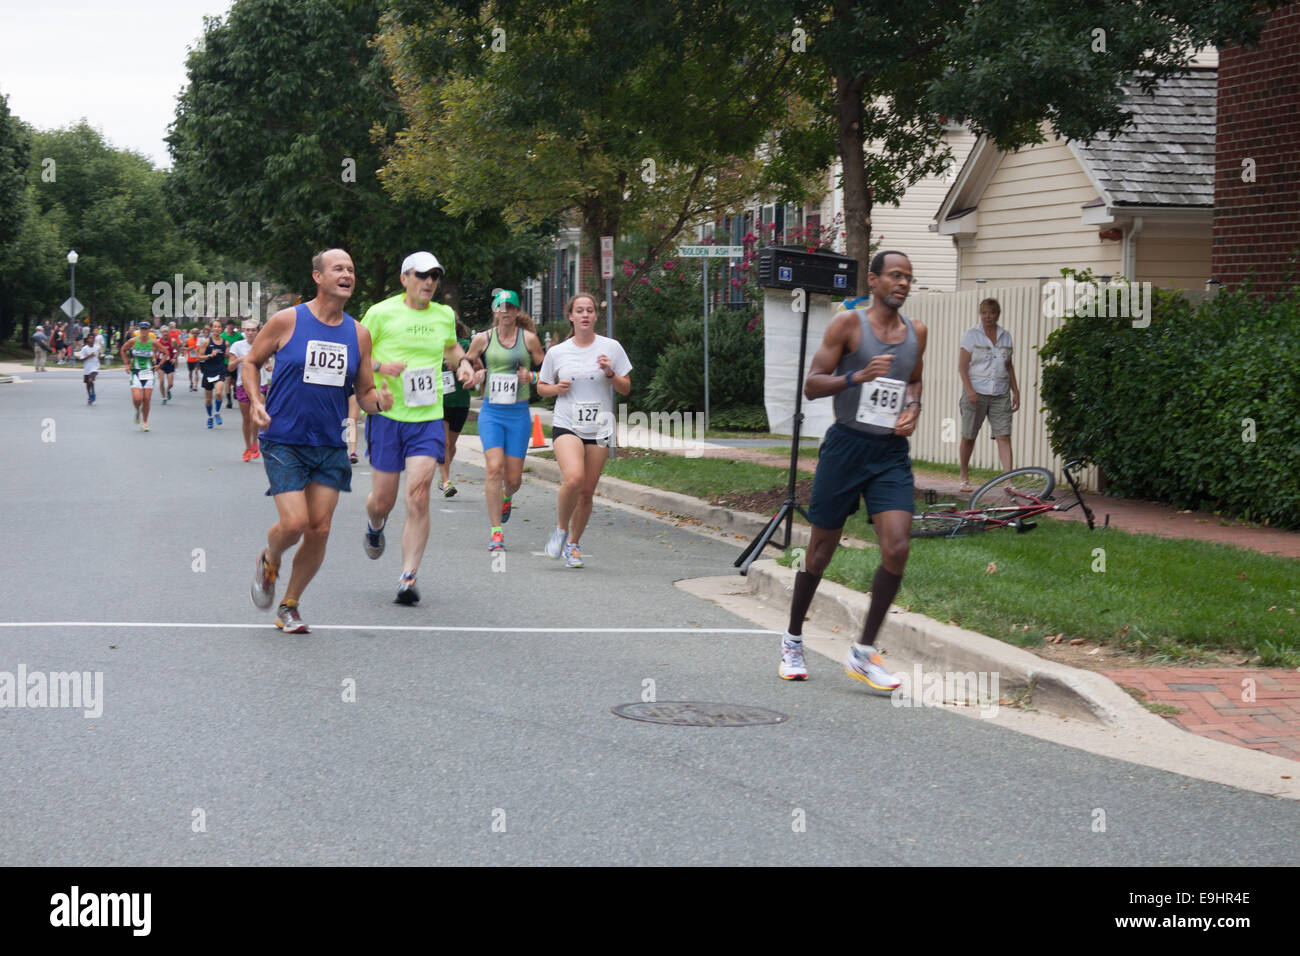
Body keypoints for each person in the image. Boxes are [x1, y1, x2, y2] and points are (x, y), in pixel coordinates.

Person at [776, 250, 926, 687]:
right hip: (845, 448)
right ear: (874, 281)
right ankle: (793, 639)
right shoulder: (848, 325)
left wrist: (913, 406)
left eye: (908, 278)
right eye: (895, 276)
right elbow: (812, 385)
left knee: (897, 547)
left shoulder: (917, 331)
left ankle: (863, 651)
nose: (902, 284)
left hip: (890, 453)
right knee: (820, 552)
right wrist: (856, 378)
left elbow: (914, 377)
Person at [244, 248, 392, 632]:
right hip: (284, 438)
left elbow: (365, 392)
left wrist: (379, 402)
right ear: (318, 277)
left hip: (329, 442)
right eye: (338, 268)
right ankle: (269, 559)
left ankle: (289, 605)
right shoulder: (288, 320)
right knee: (293, 524)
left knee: (320, 528)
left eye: (351, 269)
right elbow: (250, 362)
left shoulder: (358, 333)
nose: (347, 274)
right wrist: (256, 402)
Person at [360, 251, 472, 604]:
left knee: (419, 494)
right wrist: (380, 369)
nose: (429, 282)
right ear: (404, 278)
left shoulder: (443, 315)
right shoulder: (380, 313)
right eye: (422, 275)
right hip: (387, 416)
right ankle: (375, 526)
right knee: (383, 500)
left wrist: (464, 365)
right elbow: (358, 354)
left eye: (435, 276)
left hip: (426, 418)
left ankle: (408, 577)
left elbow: (451, 348)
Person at [535, 292, 632, 568]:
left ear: (596, 316)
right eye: (580, 310)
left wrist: (610, 373)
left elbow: (626, 388)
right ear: (571, 316)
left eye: (590, 310)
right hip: (567, 423)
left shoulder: (611, 347)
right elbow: (541, 386)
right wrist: (556, 389)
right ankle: (561, 529)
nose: (585, 315)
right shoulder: (558, 352)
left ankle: (574, 545)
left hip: (599, 427)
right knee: (574, 479)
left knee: (587, 492)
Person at [465, 291, 545, 552]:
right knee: (493, 468)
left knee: (513, 479)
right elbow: (466, 361)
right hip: (492, 413)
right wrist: (475, 374)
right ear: (495, 311)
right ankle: (496, 532)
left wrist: (530, 377)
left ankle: (507, 496)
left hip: (518, 413)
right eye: (502, 307)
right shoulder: (482, 339)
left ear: (518, 311)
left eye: (511, 308)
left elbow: (547, 370)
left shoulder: (529, 339)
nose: (506, 312)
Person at [957, 297, 1019, 492]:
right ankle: (964, 476)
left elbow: (1008, 365)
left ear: (998, 314)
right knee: (969, 436)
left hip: (1000, 392)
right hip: (976, 391)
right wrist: (969, 390)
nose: (988, 316)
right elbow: (962, 366)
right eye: (984, 313)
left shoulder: (1005, 336)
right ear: (980, 314)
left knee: (1004, 436)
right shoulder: (971, 335)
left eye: (991, 313)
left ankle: (1009, 481)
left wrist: (1015, 390)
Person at [437, 319, 474, 497]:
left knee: (451, 445)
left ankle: (444, 473)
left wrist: (461, 365)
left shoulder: (465, 344)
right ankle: (446, 480)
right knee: (444, 443)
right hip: (440, 400)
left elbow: (478, 366)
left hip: (460, 400)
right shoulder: (433, 345)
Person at [228, 317, 272, 461]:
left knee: (256, 415)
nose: (250, 333)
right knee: (246, 418)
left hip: (261, 383)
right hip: (243, 384)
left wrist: (267, 365)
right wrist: (242, 359)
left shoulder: (263, 344)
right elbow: (230, 367)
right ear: (243, 331)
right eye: (248, 330)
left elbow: (267, 360)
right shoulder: (237, 346)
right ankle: (248, 447)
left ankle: (255, 444)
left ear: (258, 331)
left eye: (253, 330)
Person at [119, 320, 162, 432]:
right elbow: (123, 350)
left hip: (148, 373)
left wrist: (158, 364)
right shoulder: (133, 341)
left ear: (149, 330)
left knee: (147, 399)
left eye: (145, 329)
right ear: (139, 330)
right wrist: (127, 364)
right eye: (141, 329)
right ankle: (137, 410)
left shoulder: (153, 342)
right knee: (137, 399)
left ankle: (145, 423)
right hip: (136, 372)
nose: (143, 331)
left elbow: (165, 352)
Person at [198, 319, 229, 427]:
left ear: (221, 329)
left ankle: (217, 413)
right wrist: (209, 356)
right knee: (208, 399)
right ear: (212, 329)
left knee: (219, 393)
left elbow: (227, 355)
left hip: (220, 370)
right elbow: (199, 357)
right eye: (215, 327)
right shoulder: (206, 342)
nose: (217, 328)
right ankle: (210, 417)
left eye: (219, 326)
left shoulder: (225, 343)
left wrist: (230, 355)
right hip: (208, 372)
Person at [222, 320, 243, 410]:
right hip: (226, 362)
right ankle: (229, 401)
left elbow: (243, 346)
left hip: (236, 362)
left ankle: (235, 390)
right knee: (228, 379)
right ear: (226, 326)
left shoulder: (239, 336)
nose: (230, 327)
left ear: (234, 326)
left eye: (232, 325)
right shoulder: (222, 336)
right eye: (229, 325)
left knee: (234, 381)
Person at [75, 331, 101, 403]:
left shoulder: (97, 347)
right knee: (87, 383)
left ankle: (93, 392)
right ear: (87, 339)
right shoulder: (84, 348)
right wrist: (89, 356)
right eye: (90, 338)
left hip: (95, 367)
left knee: (90, 380)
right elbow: (81, 359)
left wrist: (99, 356)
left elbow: (99, 354)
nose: (91, 340)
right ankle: (90, 395)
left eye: (93, 338)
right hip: (87, 368)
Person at [155, 330, 177, 404]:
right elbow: (154, 351)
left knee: (171, 384)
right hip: (160, 362)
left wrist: (174, 358)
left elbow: (176, 350)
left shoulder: (173, 341)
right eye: (163, 332)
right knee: (161, 381)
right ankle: (164, 398)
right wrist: (154, 359)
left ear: (168, 333)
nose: (165, 334)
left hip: (169, 363)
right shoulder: (158, 341)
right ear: (161, 334)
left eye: (166, 332)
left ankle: (168, 390)